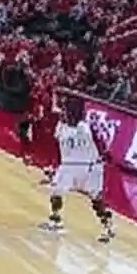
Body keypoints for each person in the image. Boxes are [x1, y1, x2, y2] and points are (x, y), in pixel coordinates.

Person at [39, 97, 115, 243]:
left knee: (95, 199)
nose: (65, 113)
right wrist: (52, 167)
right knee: (56, 191)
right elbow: (58, 146)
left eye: (67, 111)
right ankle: (55, 220)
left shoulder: (85, 127)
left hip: (89, 166)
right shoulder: (62, 127)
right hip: (69, 165)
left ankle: (108, 227)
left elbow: (100, 143)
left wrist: (103, 156)